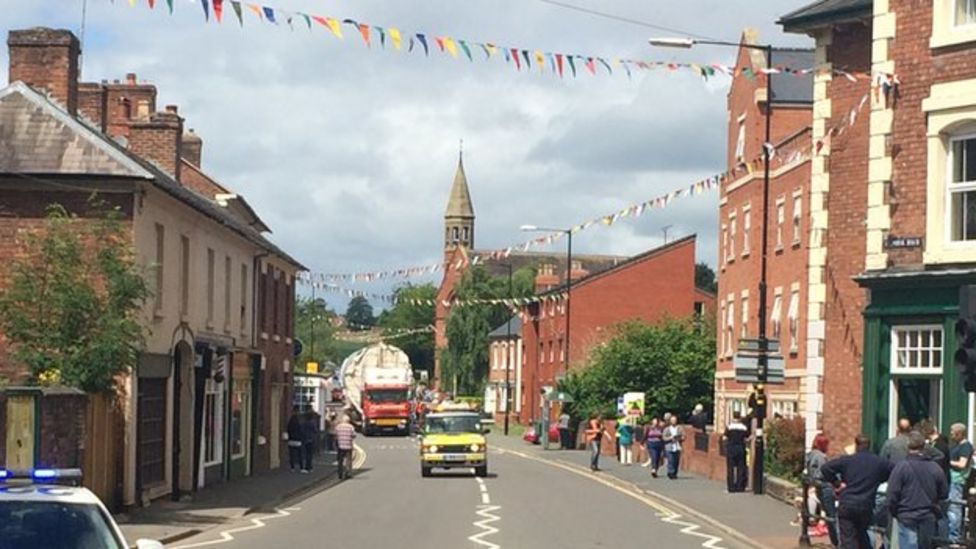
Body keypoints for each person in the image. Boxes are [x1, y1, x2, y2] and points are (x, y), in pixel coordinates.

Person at [820, 434, 892, 549]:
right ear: (869, 446)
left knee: (849, 539)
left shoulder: (848, 460)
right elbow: (893, 470)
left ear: (856, 445)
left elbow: (825, 468)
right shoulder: (878, 462)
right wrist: (879, 479)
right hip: (866, 504)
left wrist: (837, 483)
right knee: (862, 535)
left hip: (848, 502)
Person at [887, 431, 948, 549]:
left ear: (907, 447)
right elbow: (944, 493)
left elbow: (892, 494)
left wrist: (894, 511)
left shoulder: (901, 467)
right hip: (928, 515)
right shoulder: (935, 467)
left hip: (906, 515)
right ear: (924, 447)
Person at [805, 433, 838, 547]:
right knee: (832, 515)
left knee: (828, 515)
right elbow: (825, 471)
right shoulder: (821, 457)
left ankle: (835, 541)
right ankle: (838, 541)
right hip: (825, 486)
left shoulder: (810, 455)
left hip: (817, 485)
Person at [947, 423, 973, 543]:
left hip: (957, 480)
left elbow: (962, 464)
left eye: (952, 433)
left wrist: (948, 462)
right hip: (952, 479)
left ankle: (954, 537)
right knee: (952, 507)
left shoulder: (965, 447)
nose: (951, 435)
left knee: (954, 507)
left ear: (959, 433)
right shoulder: (956, 445)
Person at [723, 412, 749, 493]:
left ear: (733, 416)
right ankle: (740, 487)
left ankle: (731, 487)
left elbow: (724, 438)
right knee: (741, 467)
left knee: (730, 468)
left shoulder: (729, 427)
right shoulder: (744, 427)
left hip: (731, 448)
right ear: (739, 417)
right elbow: (747, 438)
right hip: (741, 448)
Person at [662, 415, 685, 480]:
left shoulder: (680, 428)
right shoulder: (667, 429)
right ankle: (670, 472)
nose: (673, 421)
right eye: (672, 420)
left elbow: (684, 436)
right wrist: (670, 438)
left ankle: (674, 473)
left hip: (677, 446)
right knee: (670, 460)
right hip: (669, 447)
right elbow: (664, 437)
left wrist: (680, 438)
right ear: (670, 421)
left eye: (675, 420)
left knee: (676, 461)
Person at [334, 415, 356, 479]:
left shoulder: (338, 427)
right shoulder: (351, 427)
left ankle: (340, 473)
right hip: (348, 445)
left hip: (340, 446)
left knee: (340, 460)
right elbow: (354, 435)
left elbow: (336, 436)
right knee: (348, 460)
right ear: (348, 421)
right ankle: (348, 473)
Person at [300, 407, 319, 473]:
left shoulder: (303, 423)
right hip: (311, 439)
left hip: (305, 439)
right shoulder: (312, 423)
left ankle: (306, 467)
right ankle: (309, 467)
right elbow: (315, 431)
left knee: (305, 454)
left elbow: (301, 431)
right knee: (309, 454)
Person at [286, 406, 303, 472]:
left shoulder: (291, 420)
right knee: (299, 454)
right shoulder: (299, 420)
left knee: (292, 454)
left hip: (291, 439)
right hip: (298, 439)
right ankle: (301, 467)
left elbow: (288, 429)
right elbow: (301, 430)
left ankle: (292, 467)